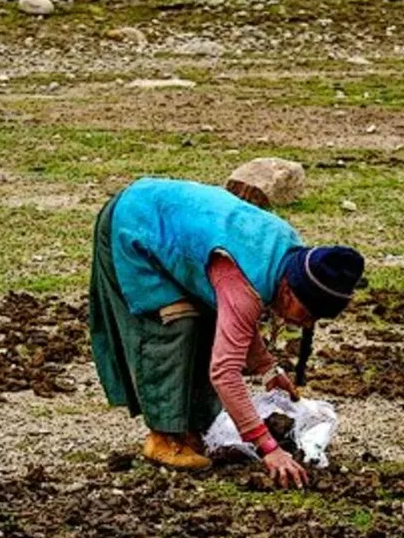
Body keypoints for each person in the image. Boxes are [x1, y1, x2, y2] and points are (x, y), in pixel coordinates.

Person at [88, 176, 365, 488]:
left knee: (208, 319)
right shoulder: (244, 277)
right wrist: (268, 448)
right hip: (136, 223)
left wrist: (267, 369)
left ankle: (192, 428)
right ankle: (163, 438)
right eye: (308, 313)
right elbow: (225, 371)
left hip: (176, 222)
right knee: (173, 324)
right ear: (290, 292)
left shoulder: (288, 258)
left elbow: (235, 317)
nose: (306, 324)